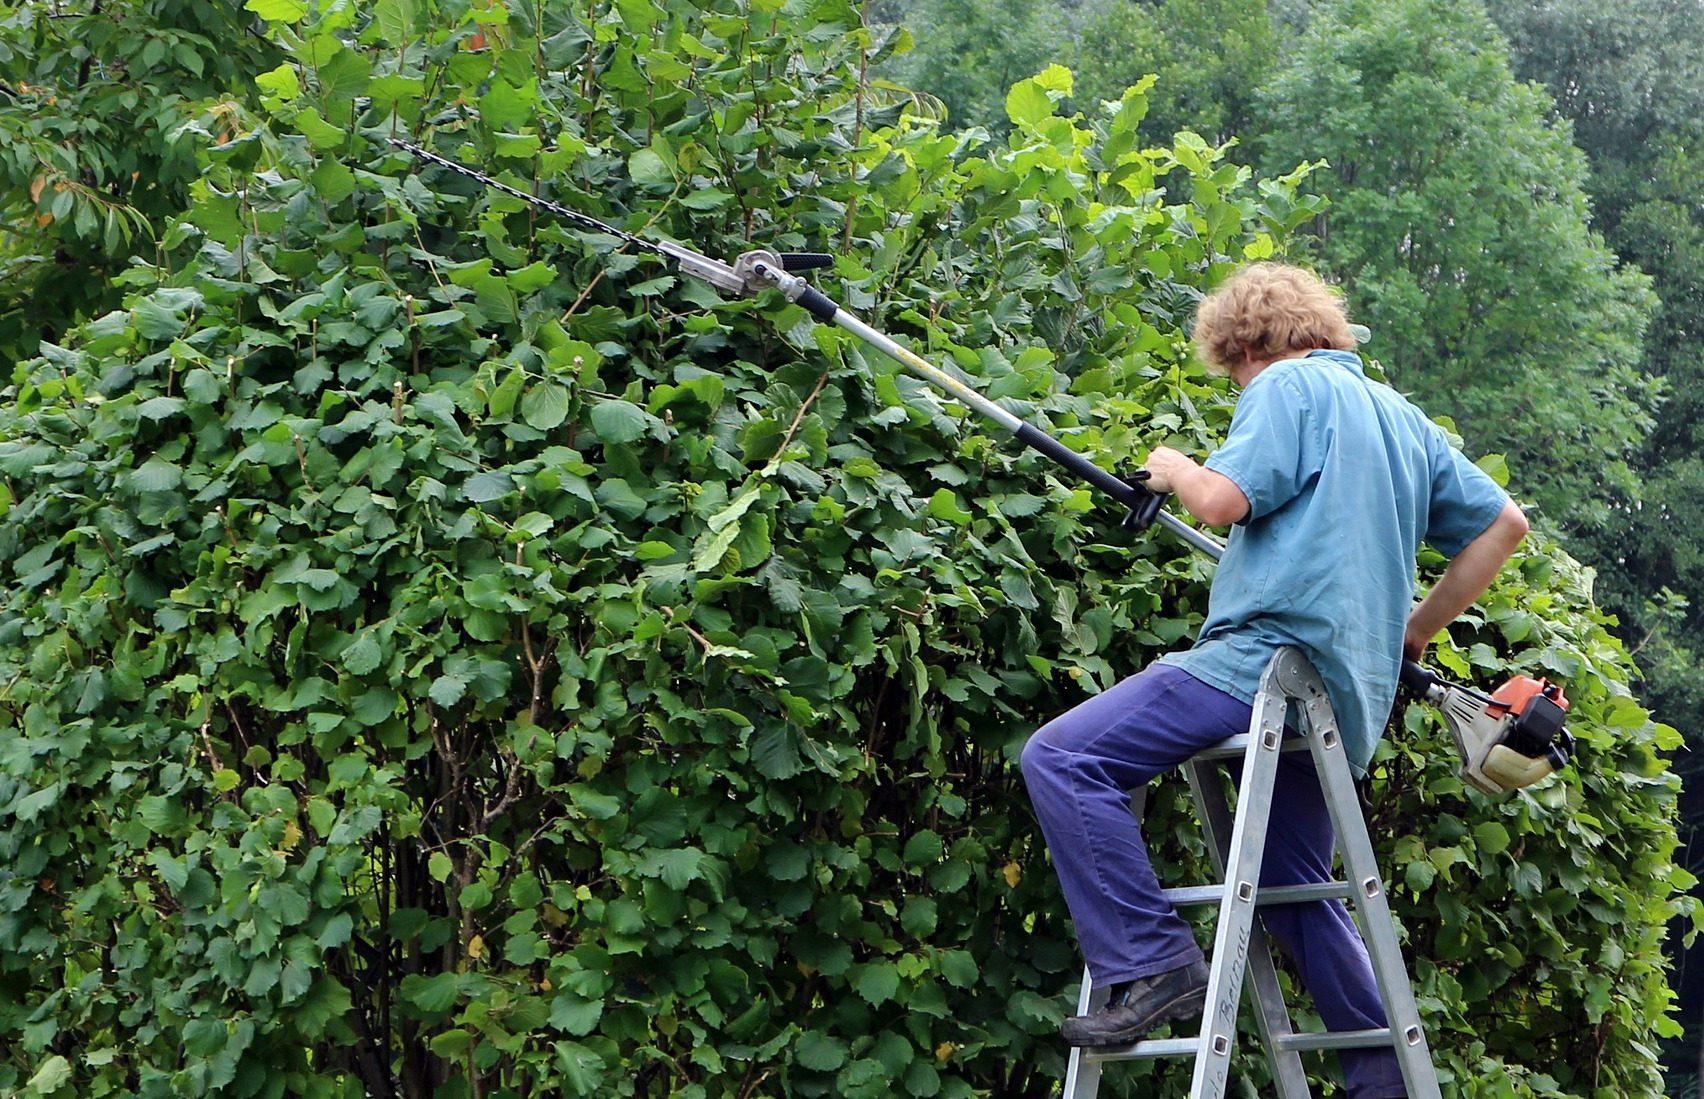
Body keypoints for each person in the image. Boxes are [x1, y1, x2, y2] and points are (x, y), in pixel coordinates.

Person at [1018, 262, 1528, 1098]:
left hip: (1260, 665)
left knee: (1065, 758)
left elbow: (1222, 501)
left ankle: (1152, 961)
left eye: (1233, 372)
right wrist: (1410, 633)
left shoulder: (1285, 387)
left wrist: (1174, 467)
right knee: (1296, 888)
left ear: (1247, 344)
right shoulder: (1403, 421)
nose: (1238, 386)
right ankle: (1383, 1078)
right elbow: (1505, 524)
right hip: (1341, 697)